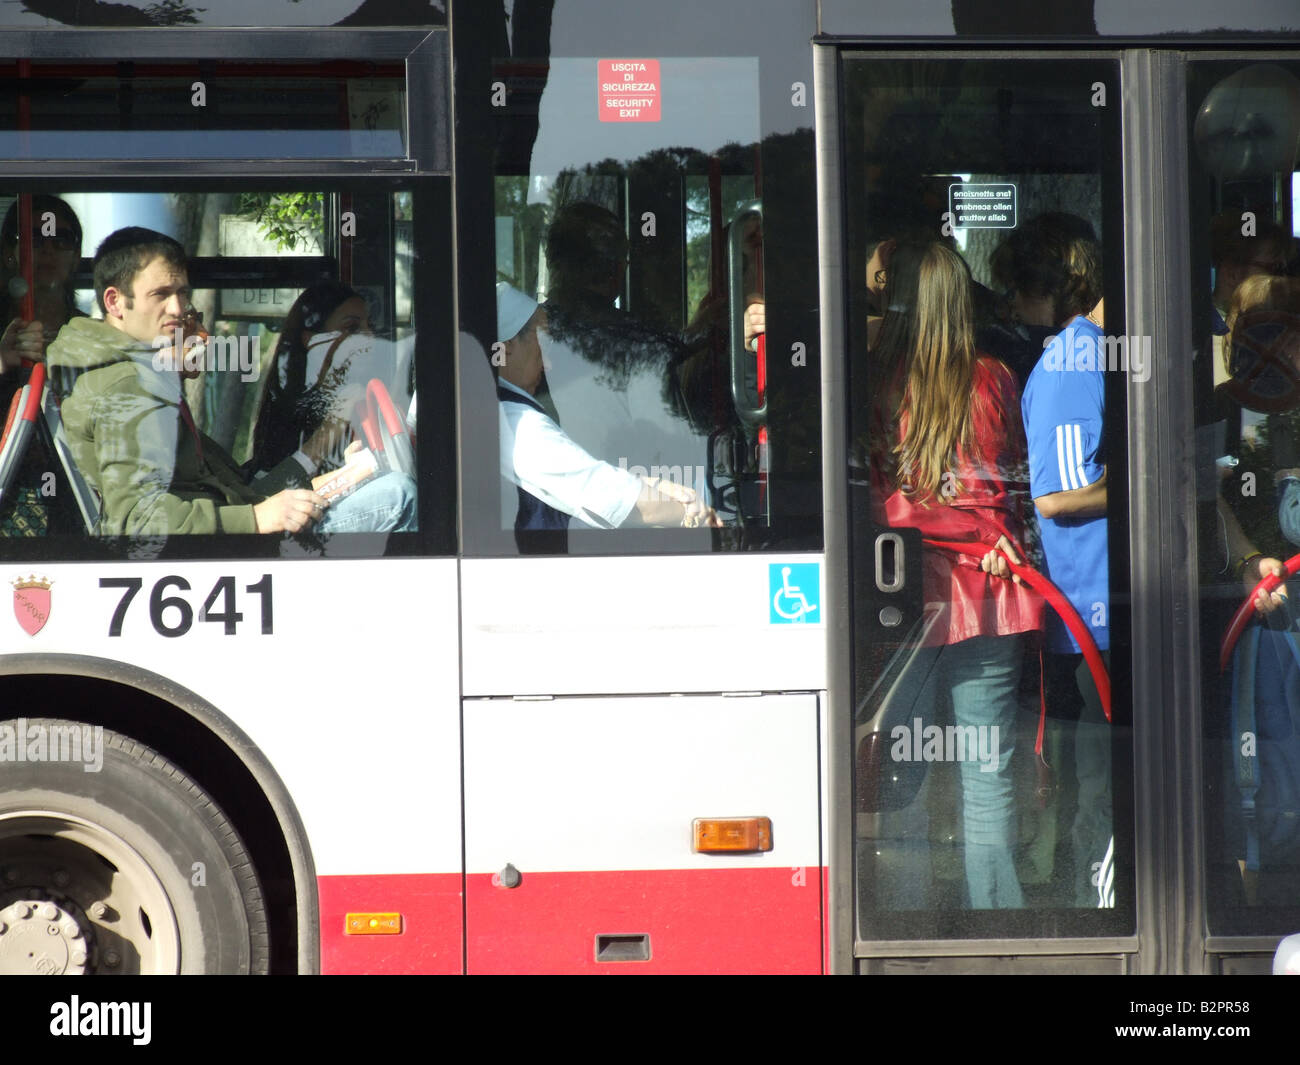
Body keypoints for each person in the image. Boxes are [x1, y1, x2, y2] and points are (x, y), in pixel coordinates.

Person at [867, 239, 1043, 910]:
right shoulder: (995, 378)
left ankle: (902, 920)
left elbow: (876, 497)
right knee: (987, 772)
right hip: (994, 593)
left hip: (907, 595)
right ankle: (997, 926)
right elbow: (1014, 479)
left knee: (900, 768)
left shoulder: (877, 385)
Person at [46, 226, 415, 536]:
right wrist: (256, 519)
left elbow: (242, 493)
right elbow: (137, 518)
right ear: (114, 302)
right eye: (160, 295)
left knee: (376, 483)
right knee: (399, 496)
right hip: (218, 555)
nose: (177, 310)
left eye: (182, 294)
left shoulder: (133, 372)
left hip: (223, 540)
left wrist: (343, 475)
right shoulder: (128, 383)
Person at [1016, 218, 1114, 907]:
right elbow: (1057, 498)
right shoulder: (1072, 363)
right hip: (1094, 616)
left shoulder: (1093, 353)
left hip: (1106, 608)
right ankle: (1101, 912)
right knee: (1105, 798)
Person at [495, 283, 719, 531]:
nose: (548, 363)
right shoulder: (514, 422)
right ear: (507, 349)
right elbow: (599, 491)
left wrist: (655, 486)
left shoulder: (506, 410)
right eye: (540, 347)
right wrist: (690, 514)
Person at [0, 195, 86, 535]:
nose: (48, 250)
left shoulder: (100, 336)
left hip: (81, 497)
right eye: (34, 238)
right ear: (8, 253)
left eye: (61, 240)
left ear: (76, 257)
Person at [251, 280, 378, 477]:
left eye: (369, 326)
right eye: (352, 328)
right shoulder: (292, 410)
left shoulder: (372, 399)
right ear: (311, 340)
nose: (368, 336)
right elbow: (273, 490)